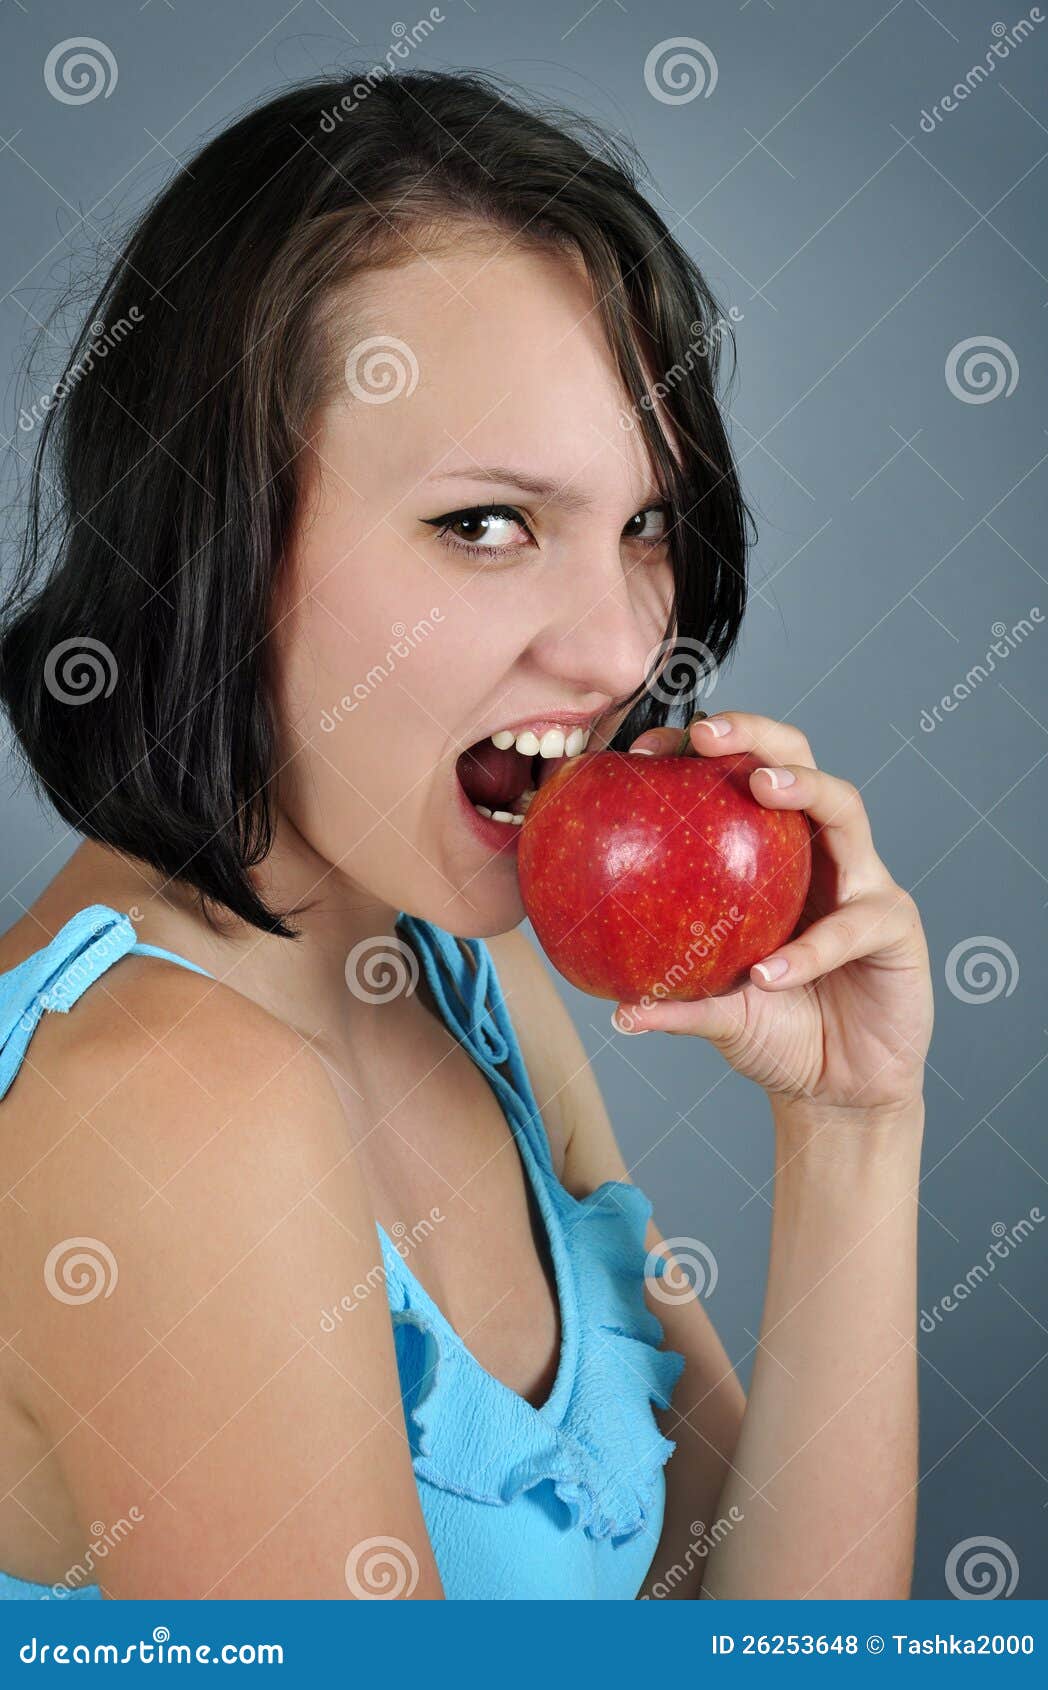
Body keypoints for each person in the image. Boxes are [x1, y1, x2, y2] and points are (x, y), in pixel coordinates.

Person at [0, 69, 931, 1600]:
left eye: (643, 528)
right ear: (217, 539)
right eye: (486, 524)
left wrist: (853, 1132)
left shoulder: (454, 976)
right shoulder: (168, 1112)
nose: (620, 649)